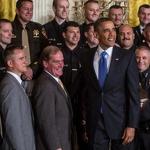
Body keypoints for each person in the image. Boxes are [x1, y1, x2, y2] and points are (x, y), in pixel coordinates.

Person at [81, 18, 140, 150]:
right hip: (95, 122)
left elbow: (134, 94)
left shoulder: (127, 57)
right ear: (96, 34)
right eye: (106, 30)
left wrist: (132, 125)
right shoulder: (86, 57)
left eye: (113, 29)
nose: (112, 34)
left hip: (120, 121)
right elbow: (84, 92)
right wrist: (84, 122)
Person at [32, 45, 73, 150]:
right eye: (56, 62)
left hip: (63, 141)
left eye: (62, 61)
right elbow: (46, 122)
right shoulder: (45, 86)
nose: (61, 65)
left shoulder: (54, 79)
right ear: (45, 63)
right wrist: (56, 147)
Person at [0, 45, 36, 150]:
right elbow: (13, 127)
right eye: (21, 59)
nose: (25, 61)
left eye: (25, 58)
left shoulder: (15, 82)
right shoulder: (9, 87)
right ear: (10, 63)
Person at [11, 0, 48, 80]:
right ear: (17, 11)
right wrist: (21, 69)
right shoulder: (9, 28)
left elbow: (45, 52)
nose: (29, 12)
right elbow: (5, 53)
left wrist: (32, 68)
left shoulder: (38, 28)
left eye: (31, 9)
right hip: (14, 76)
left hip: (36, 75)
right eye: (26, 9)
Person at [135, 46, 150, 150]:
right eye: (138, 57)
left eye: (144, 58)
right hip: (133, 130)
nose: (140, 61)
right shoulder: (126, 75)